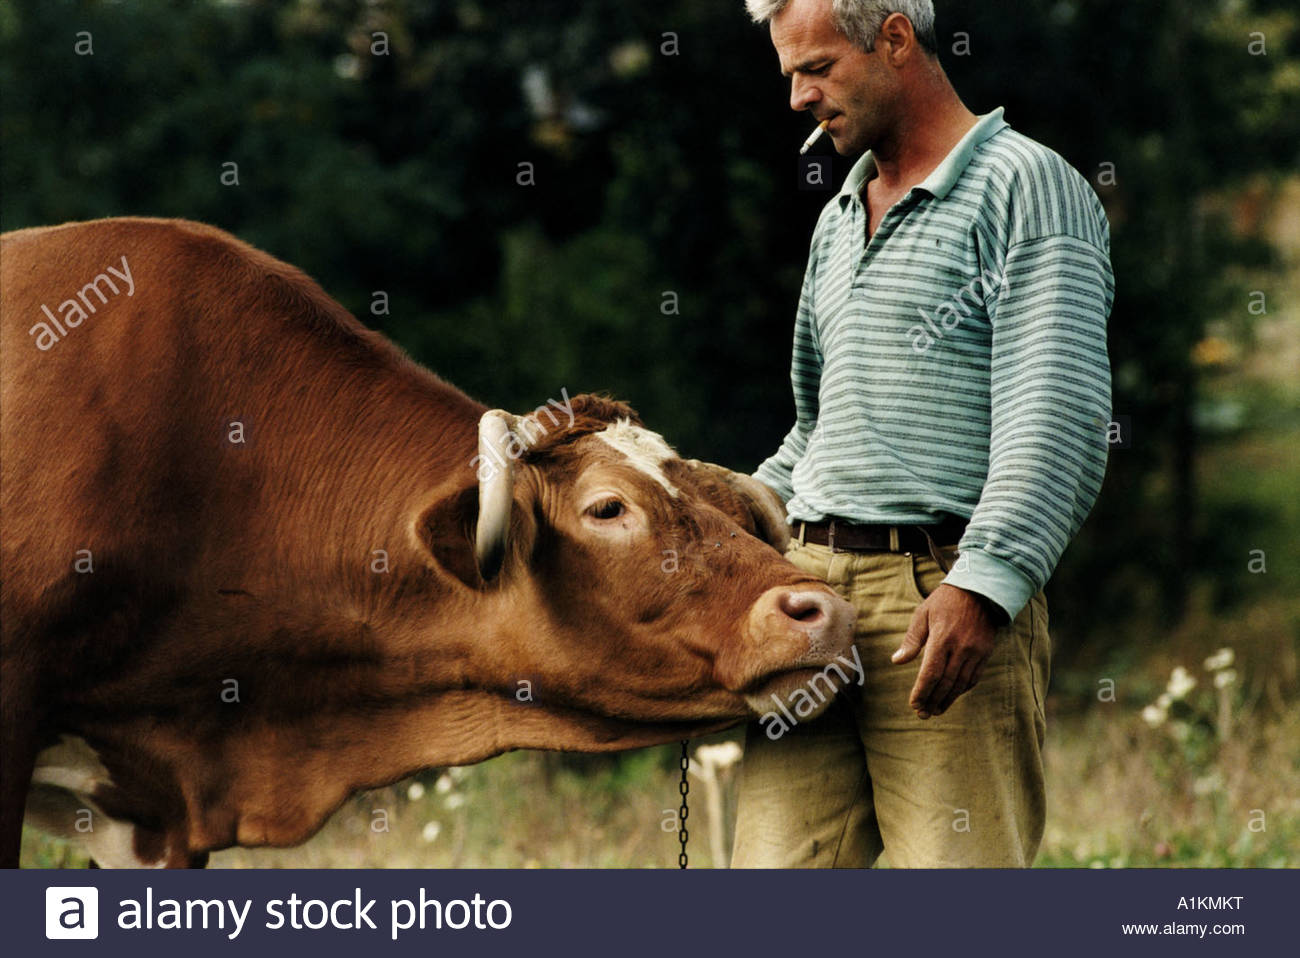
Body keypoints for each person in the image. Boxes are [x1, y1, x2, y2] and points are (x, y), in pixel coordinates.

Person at [731, 0, 1114, 868]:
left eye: (816, 68)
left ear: (895, 38)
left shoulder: (1027, 185)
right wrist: (720, 526)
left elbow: (1057, 412)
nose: (797, 96)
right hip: (807, 601)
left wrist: (985, 584)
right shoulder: (838, 214)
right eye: (790, 73)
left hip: (937, 599)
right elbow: (815, 431)